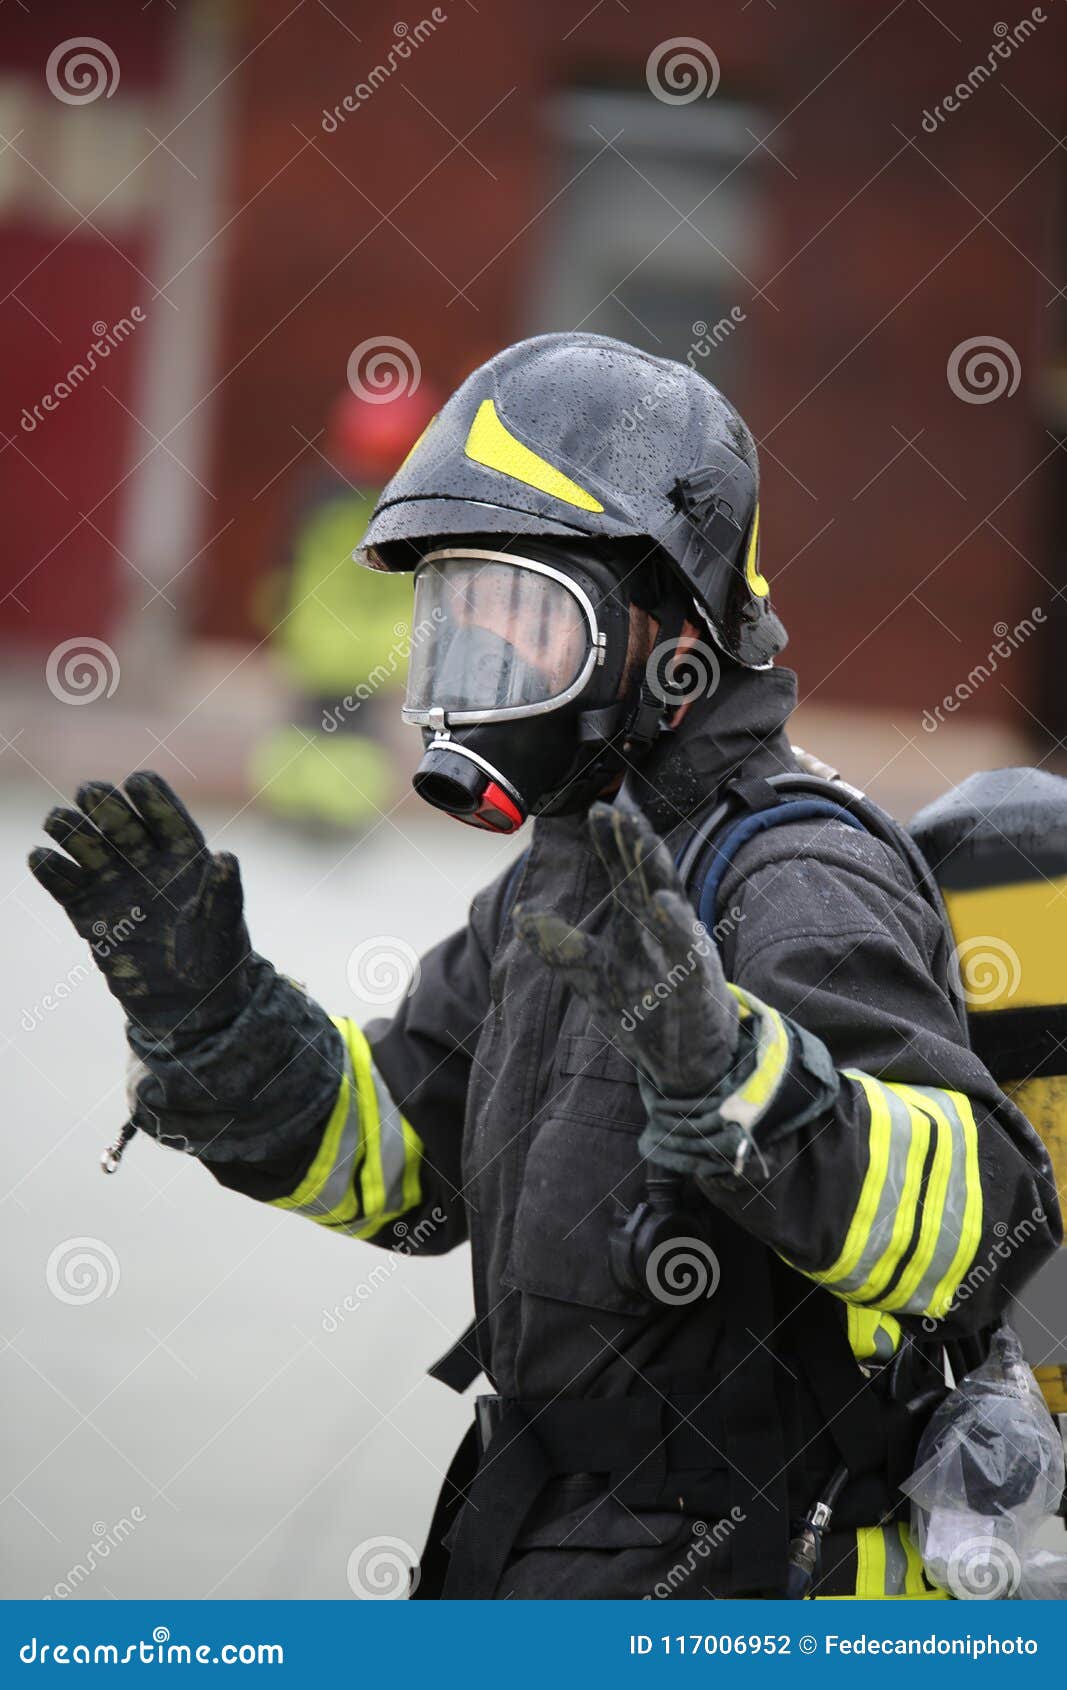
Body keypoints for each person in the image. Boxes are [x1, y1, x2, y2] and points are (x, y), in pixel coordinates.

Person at [30, 333, 1060, 1600]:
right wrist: (222, 1026)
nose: (474, 684)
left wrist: (744, 1087)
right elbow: (406, 1163)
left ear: (672, 649)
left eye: (521, 624)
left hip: (761, 1590)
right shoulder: (568, 876)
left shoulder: (789, 883)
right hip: (537, 1553)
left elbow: (990, 1211)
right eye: (453, 626)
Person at [249, 383, 438, 831]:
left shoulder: (316, 495)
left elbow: (284, 566)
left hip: (315, 643)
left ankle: (293, 806)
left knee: (304, 727)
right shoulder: (419, 510)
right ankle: (339, 815)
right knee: (359, 737)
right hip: (377, 648)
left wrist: (276, 618)